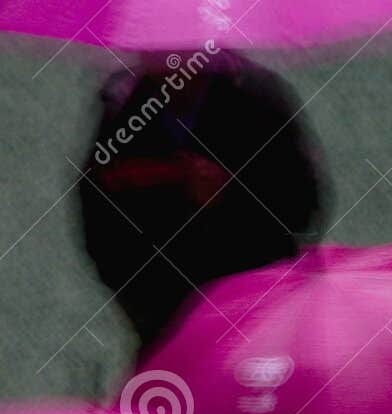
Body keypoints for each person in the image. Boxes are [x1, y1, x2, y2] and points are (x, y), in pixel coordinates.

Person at [79, 50, 325, 351]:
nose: (165, 60)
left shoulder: (258, 101)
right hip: (162, 324)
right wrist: (140, 302)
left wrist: (230, 198)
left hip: (253, 319)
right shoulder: (121, 108)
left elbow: (302, 207)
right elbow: (98, 213)